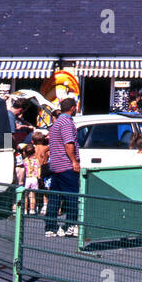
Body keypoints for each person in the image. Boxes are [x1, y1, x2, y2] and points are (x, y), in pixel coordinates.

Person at [44, 97, 81, 237]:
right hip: (66, 165)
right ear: (73, 108)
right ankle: (71, 225)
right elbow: (68, 143)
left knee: (55, 198)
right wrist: (74, 161)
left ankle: (50, 227)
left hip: (55, 165)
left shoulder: (56, 122)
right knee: (72, 196)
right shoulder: (66, 123)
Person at [19, 144, 40, 213]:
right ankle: (32, 210)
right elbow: (39, 169)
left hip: (27, 178)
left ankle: (25, 210)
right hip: (34, 178)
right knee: (32, 195)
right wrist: (38, 176)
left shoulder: (24, 161)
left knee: (25, 196)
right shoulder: (36, 160)